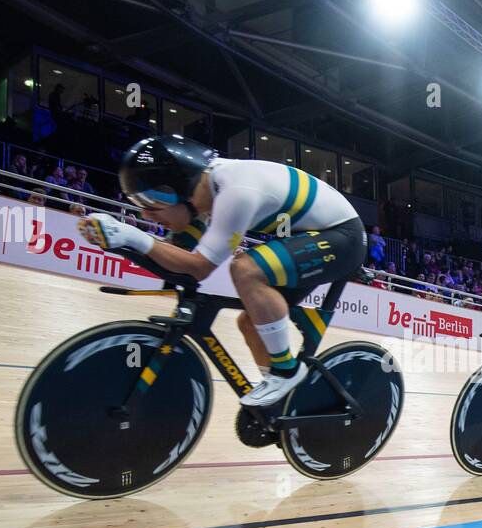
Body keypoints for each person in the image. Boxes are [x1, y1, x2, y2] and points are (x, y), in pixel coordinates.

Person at [78, 134, 366, 407]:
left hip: (342, 237)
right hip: (307, 236)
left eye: (151, 200)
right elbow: (177, 262)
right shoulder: (205, 192)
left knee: (247, 269)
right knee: (251, 322)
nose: (145, 213)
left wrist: (131, 236)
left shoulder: (235, 192)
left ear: (177, 189)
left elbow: (199, 268)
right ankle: (281, 403)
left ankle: (286, 372)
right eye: (138, 203)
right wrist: (115, 240)